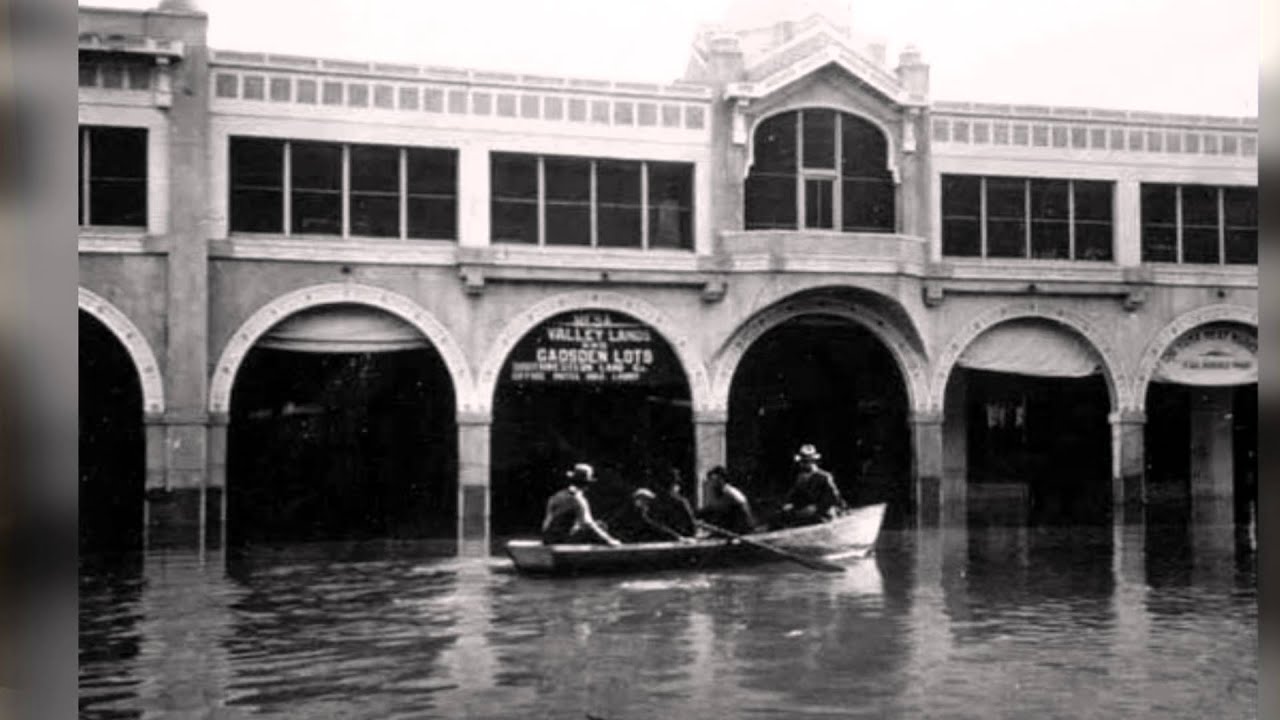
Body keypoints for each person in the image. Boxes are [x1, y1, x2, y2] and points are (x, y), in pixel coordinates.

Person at [541, 463, 621, 546]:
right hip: (562, 540)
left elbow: (547, 523)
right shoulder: (578, 499)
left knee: (598, 524)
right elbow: (588, 524)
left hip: (547, 538)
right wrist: (609, 540)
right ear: (586, 484)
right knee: (599, 527)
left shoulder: (557, 496)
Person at [776, 444, 847, 528]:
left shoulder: (824, 477)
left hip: (821, 512)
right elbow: (794, 495)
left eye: (808, 461)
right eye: (803, 461)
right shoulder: (800, 478)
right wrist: (789, 504)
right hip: (804, 511)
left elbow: (834, 497)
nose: (804, 464)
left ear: (814, 461)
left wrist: (817, 507)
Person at [697, 465, 758, 535]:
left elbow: (717, 508)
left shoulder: (728, 492)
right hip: (734, 522)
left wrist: (700, 515)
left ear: (721, 480)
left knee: (716, 515)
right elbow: (712, 506)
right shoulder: (720, 491)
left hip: (742, 525)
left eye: (714, 480)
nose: (711, 483)